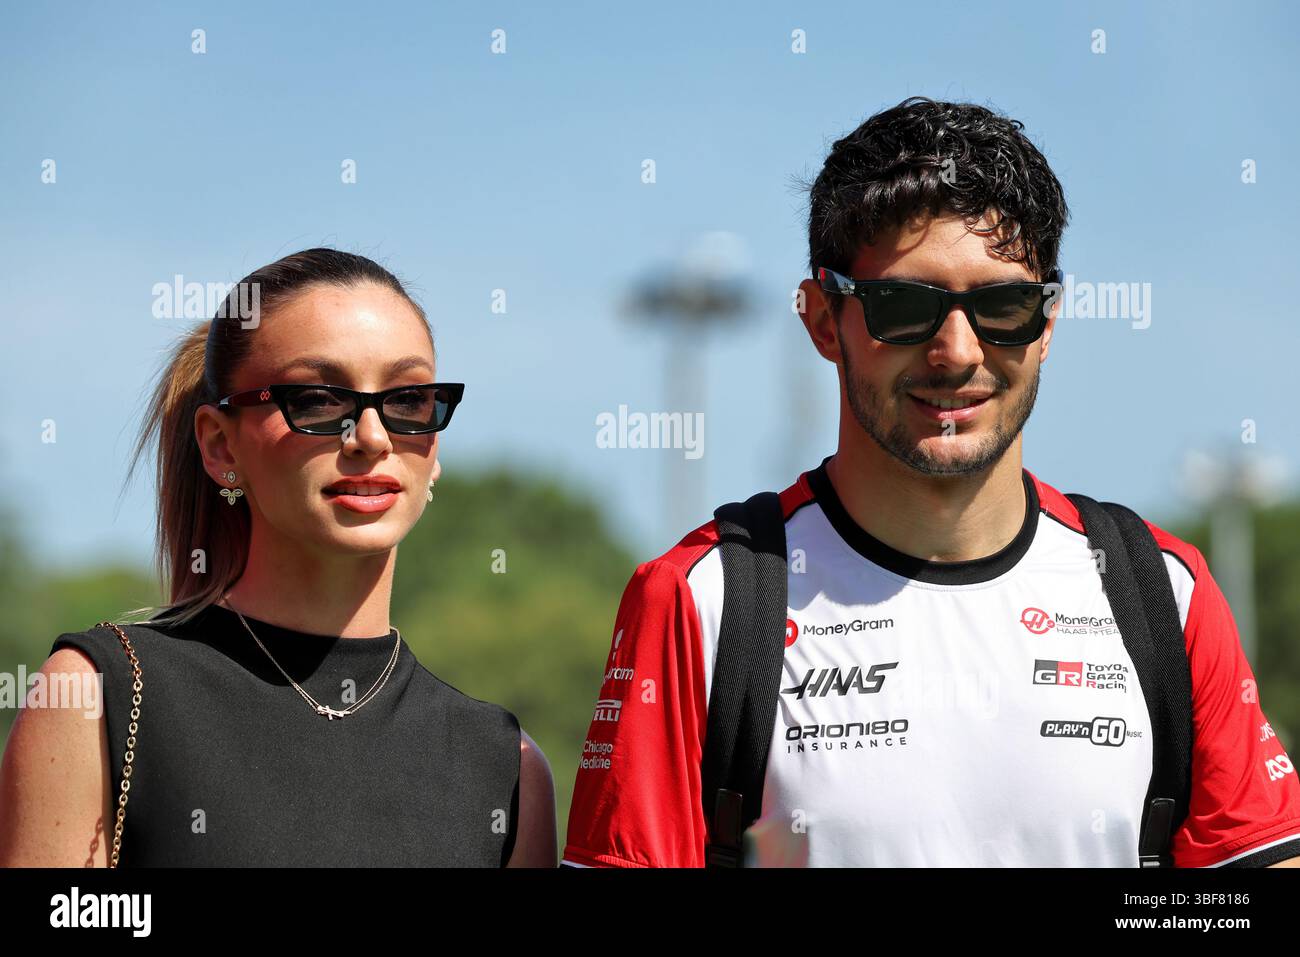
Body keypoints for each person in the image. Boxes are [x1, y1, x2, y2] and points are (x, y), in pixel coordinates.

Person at [562, 97, 1300, 868]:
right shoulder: (699, 600)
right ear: (823, 320)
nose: (957, 352)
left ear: (1048, 322)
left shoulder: (1163, 592)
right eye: (904, 306)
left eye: (1002, 305)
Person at [0, 248, 556, 867]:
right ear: (220, 445)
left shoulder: (507, 769)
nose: (372, 437)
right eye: (317, 400)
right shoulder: (95, 697)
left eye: (407, 400)